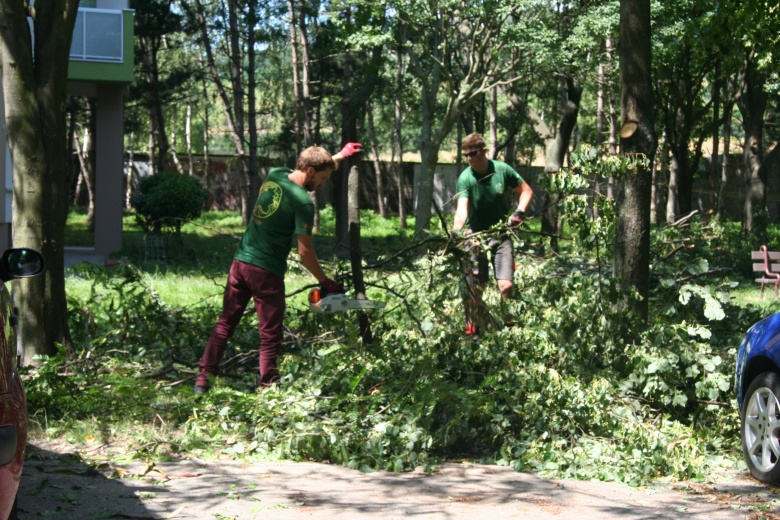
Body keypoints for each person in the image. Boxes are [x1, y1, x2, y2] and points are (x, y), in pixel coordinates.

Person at [195, 143, 363, 394]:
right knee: (270, 333)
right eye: (323, 178)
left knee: (225, 322)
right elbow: (305, 251)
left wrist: (338, 156)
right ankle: (268, 388)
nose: (323, 184)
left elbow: (313, 161)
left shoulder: (275, 174)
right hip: (266, 270)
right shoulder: (303, 202)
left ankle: (203, 379)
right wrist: (325, 281)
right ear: (310, 171)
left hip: (240, 262)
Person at [452, 133, 533, 335]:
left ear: (484, 151)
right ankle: (474, 330)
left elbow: (526, 191)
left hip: (501, 234)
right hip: (475, 236)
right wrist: (456, 231)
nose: (470, 158)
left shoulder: (502, 170)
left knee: (506, 286)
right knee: (475, 288)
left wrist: (519, 213)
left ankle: (510, 330)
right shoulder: (465, 178)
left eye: (474, 153)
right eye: (466, 155)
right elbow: (461, 210)